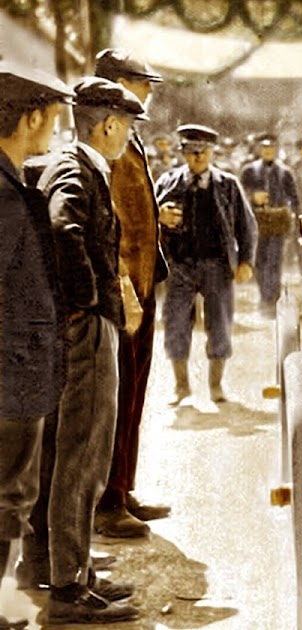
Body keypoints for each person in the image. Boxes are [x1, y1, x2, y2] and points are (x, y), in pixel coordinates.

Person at [28, 77, 146, 624]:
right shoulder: (79, 169)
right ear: (110, 125)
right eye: (125, 127)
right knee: (82, 458)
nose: (125, 138)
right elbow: (63, 228)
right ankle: (70, 588)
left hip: (72, 327)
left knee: (59, 454)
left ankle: (54, 569)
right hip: (88, 330)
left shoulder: (66, 164)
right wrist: (88, 300)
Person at [0, 61, 73, 630]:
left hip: (16, 371)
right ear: (28, 118)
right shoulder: (2, 195)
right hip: (11, 377)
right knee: (8, 498)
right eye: (51, 119)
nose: (54, 131)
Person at [90, 48, 172, 538]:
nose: (148, 91)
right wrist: (125, 289)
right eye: (142, 82)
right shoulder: (108, 144)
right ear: (117, 85)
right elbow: (110, 227)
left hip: (141, 286)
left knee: (134, 396)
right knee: (115, 399)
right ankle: (106, 500)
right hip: (125, 295)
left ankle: (123, 486)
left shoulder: (129, 139)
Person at [156, 124, 257, 404]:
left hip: (217, 266)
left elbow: (247, 226)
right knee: (175, 323)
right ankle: (181, 386)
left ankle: (216, 386)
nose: (197, 158)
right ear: (183, 153)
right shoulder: (167, 184)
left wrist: (246, 260)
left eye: (203, 152)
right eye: (191, 152)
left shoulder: (228, 185)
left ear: (212, 152)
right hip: (179, 266)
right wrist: (160, 219)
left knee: (220, 324)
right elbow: (148, 221)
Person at [240, 133, 300, 318]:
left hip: (277, 220)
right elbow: (238, 196)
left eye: (271, 148)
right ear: (259, 150)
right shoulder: (249, 171)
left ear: (276, 150)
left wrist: (296, 218)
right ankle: (265, 295)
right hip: (256, 222)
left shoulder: (285, 172)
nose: (268, 152)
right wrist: (253, 197)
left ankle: (270, 300)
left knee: (274, 260)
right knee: (259, 261)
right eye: (265, 148)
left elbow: (294, 199)